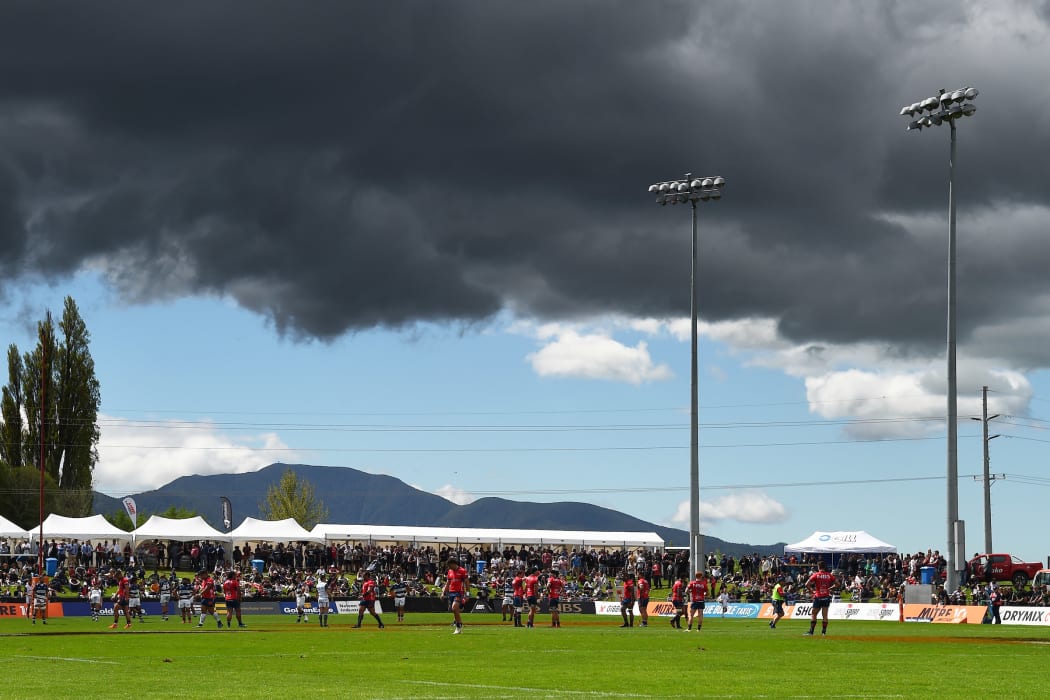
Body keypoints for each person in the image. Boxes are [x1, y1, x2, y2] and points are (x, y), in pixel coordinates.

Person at [805, 560, 837, 636]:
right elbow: (838, 584)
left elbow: (806, 584)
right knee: (825, 615)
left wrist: (812, 591)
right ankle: (823, 632)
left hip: (818, 596)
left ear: (818, 567)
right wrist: (830, 588)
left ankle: (811, 632)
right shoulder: (829, 575)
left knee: (813, 614)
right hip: (826, 596)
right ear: (825, 567)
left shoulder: (816, 575)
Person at [443, 557, 469, 634]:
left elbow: (467, 582)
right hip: (451, 592)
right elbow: (448, 583)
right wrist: (443, 592)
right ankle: (459, 624)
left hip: (459, 592)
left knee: (454, 608)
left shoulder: (462, 571)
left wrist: (467, 594)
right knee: (455, 610)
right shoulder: (450, 571)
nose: (449, 567)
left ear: (453, 564)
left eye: (449, 565)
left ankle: (458, 626)